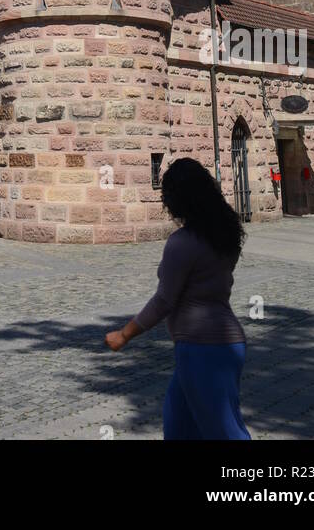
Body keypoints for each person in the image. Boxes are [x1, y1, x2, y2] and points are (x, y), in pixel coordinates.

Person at [105, 157, 251, 441]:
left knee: (225, 432)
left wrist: (124, 335)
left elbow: (164, 301)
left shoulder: (183, 243)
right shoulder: (223, 236)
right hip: (220, 344)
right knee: (178, 426)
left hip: (203, 348)